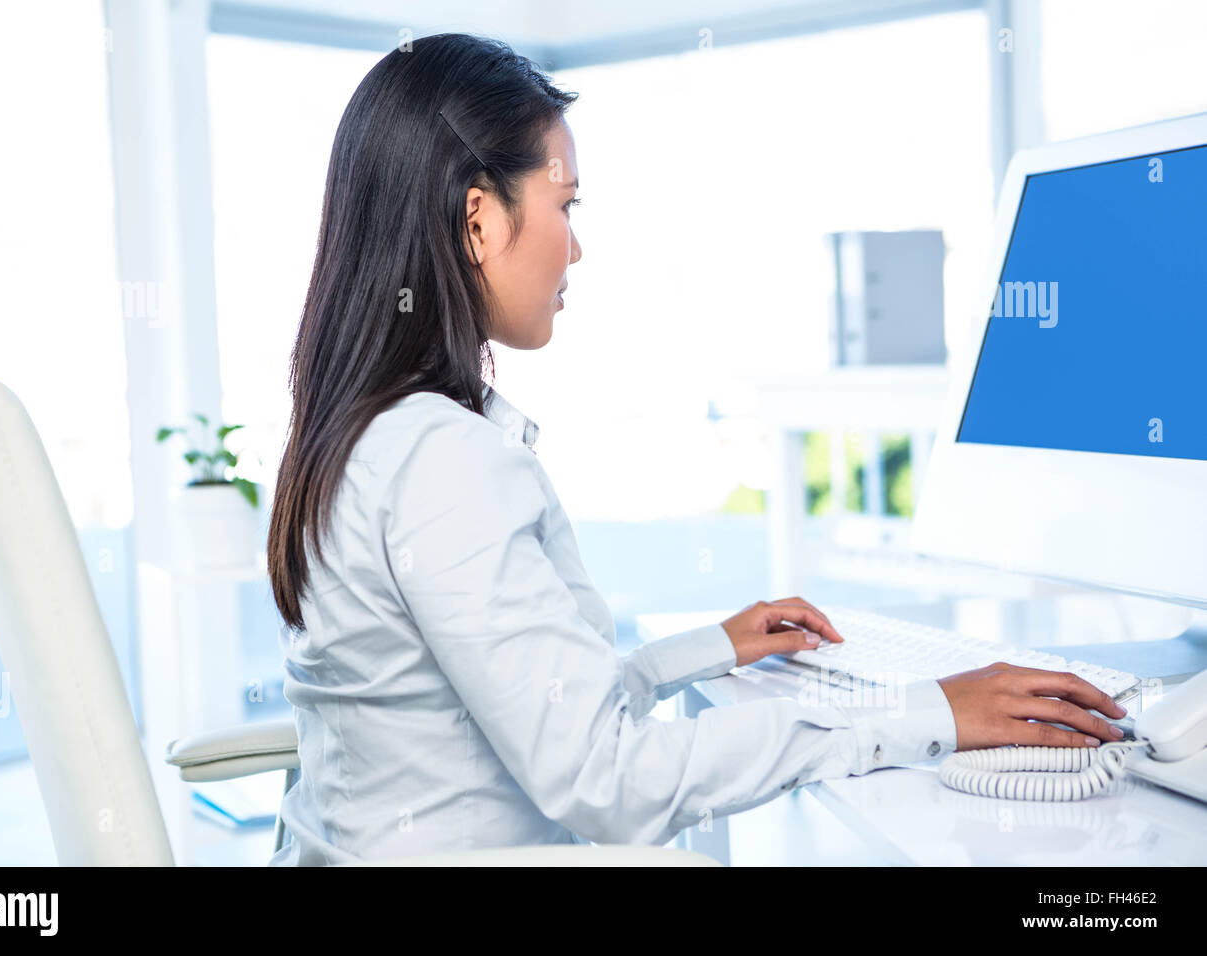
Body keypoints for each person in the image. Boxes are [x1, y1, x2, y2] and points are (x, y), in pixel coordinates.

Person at [265, 33, 1126, 865]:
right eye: (566, 207)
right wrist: (920, 712)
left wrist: (710, 649)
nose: (577, 245)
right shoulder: (443, 464)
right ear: (479, 219)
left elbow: (531, 706)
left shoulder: (368, 433)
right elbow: (609, 782)